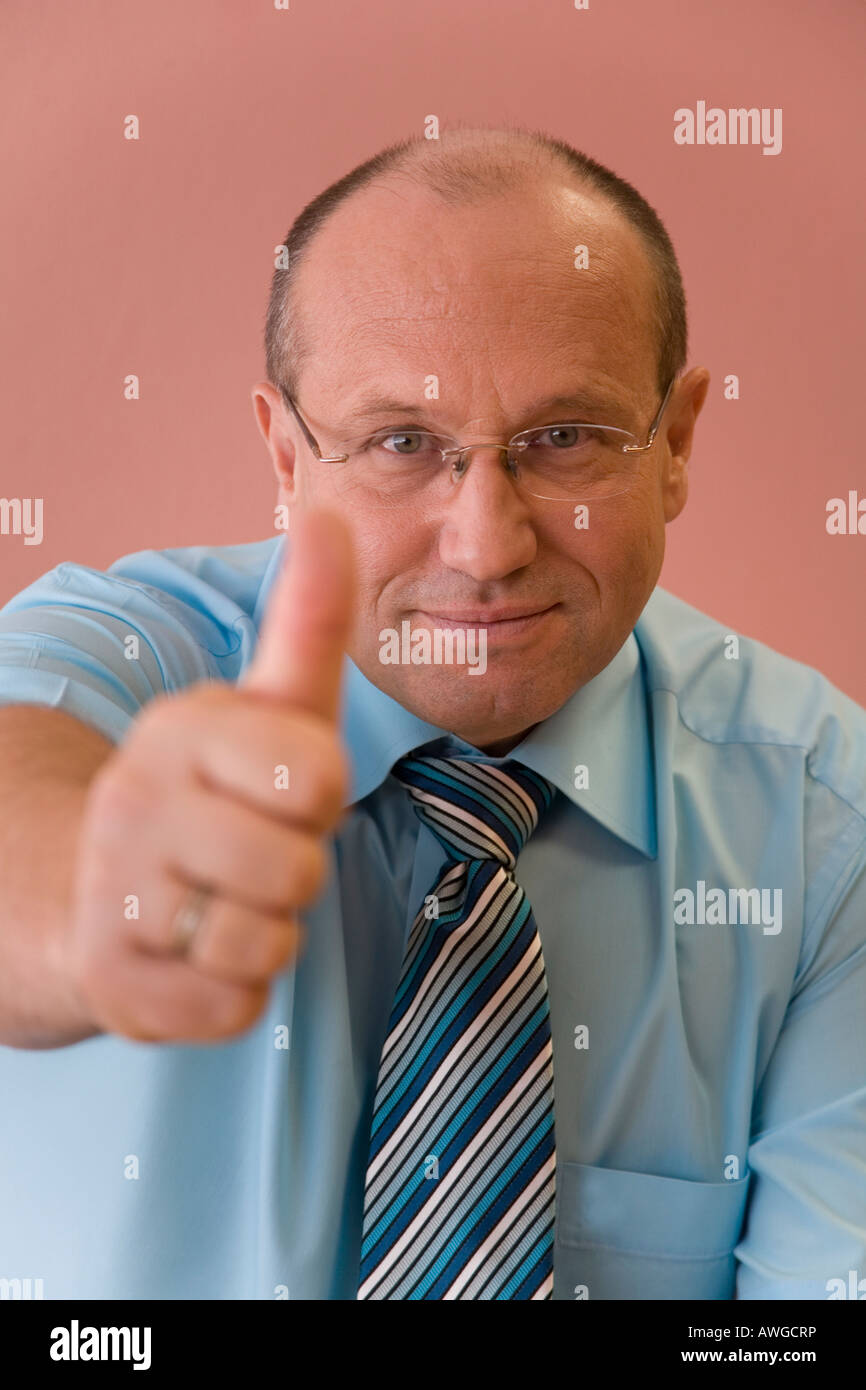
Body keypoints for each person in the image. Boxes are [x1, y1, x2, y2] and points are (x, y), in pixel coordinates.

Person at [0, 125, 864, 1302]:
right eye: (400, 442)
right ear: (285, 453)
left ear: (673, 443)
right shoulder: (131, 651)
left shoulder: (825, 822)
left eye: (563, 439)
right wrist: (95, 908)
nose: (485, 545)